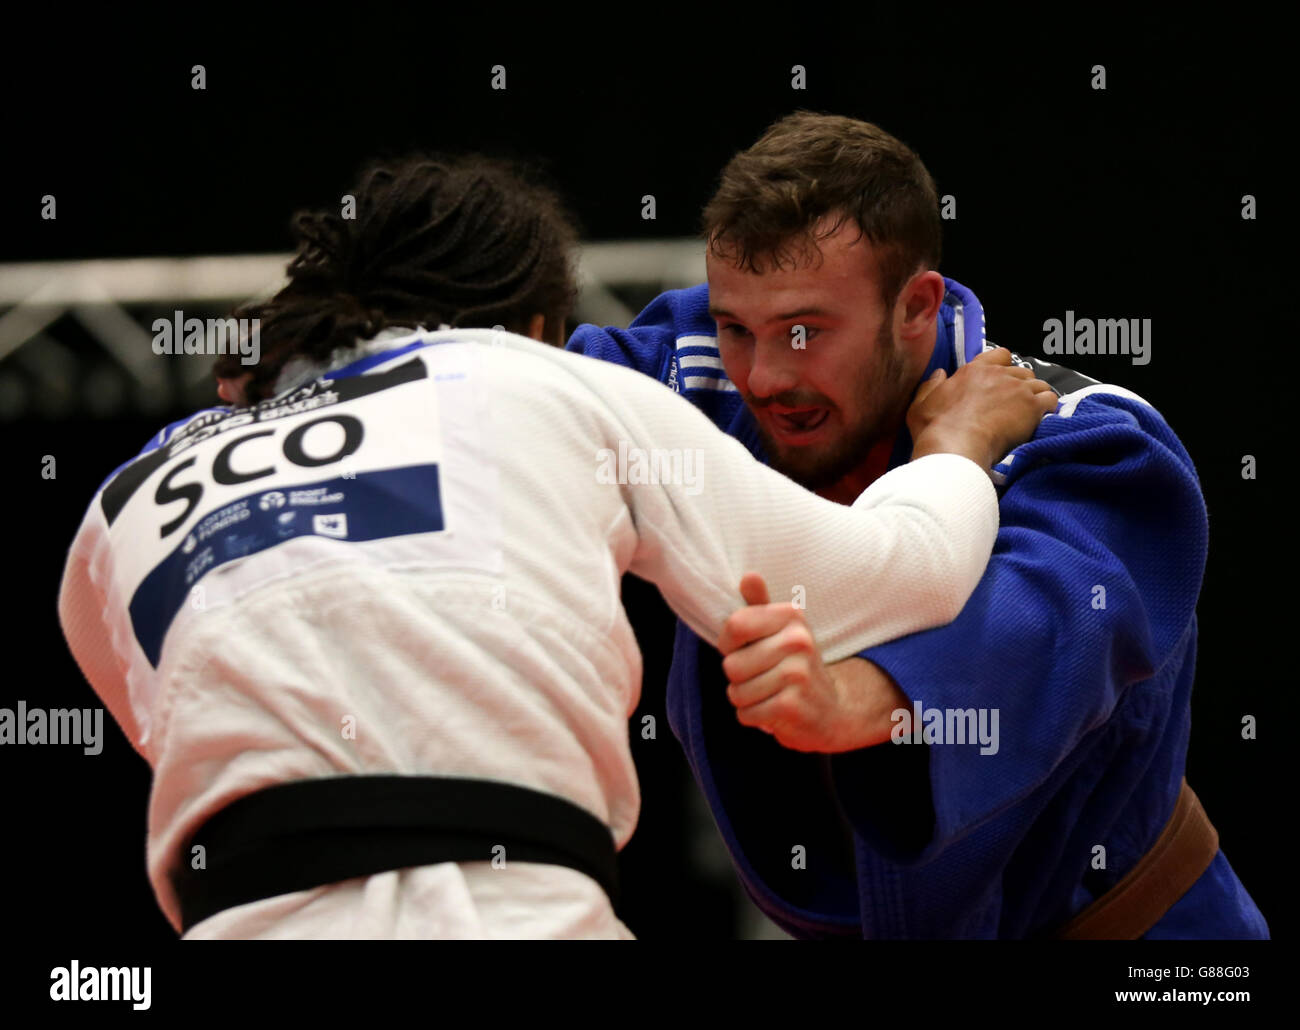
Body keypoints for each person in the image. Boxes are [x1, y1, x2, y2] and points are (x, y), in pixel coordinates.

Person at [55, 153, 1056, 939]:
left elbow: (182, 708)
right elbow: (896, 578)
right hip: (514, 909)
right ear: (535, 323)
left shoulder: (126, 496)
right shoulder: (539, 380)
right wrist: (957, 442)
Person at [567, 112, 1270, 939]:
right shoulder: (702, 370)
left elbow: (1049, 628)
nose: (764, 373)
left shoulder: (1090, 438)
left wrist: (856, 701)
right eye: (735, 327)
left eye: (806, 332)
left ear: (917, 306)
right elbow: (505, 397)